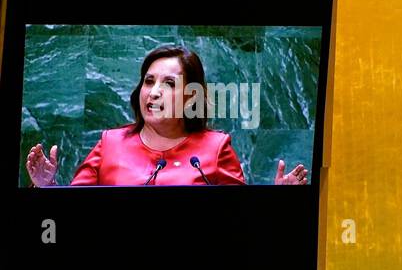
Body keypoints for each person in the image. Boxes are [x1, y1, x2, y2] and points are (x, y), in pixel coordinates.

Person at [25, 44, 309, 187]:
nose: (154, 92)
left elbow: (240, 222)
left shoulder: (216, 148)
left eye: (169, 84)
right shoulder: (110, 143)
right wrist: (47, 186)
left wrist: (276, 201)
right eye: (149, 82)